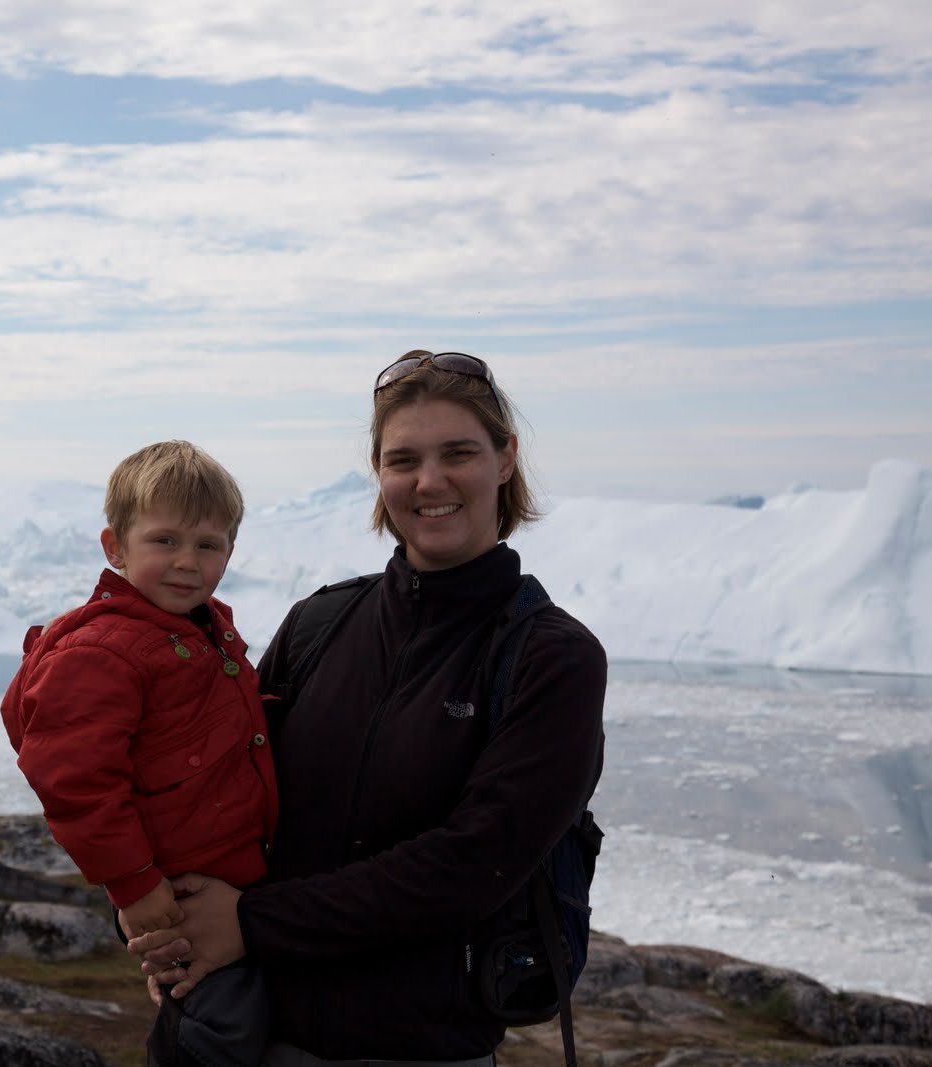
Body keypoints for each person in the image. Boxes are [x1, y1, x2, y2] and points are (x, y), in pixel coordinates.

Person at [127, 351, 607, 1066]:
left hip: (416, 1051)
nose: (429, 481)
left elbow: (474, 864)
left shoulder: (551, 657)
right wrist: (160, 914)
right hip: (239, 1035)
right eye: (403, 459)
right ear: (379, 474)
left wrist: (249, 924)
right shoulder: (319, 624)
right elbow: (204, 784)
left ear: (506, 458)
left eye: (458, 453)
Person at [1, 439, 277, 1067]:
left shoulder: (199, 628)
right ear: (115, 548)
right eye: (165, 541)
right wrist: (134, 884)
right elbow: (74, 780)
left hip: (233, 875)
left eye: (208, 546)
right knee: (217, 1028)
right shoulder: (103, 650)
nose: (187, 562)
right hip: (175, 892)